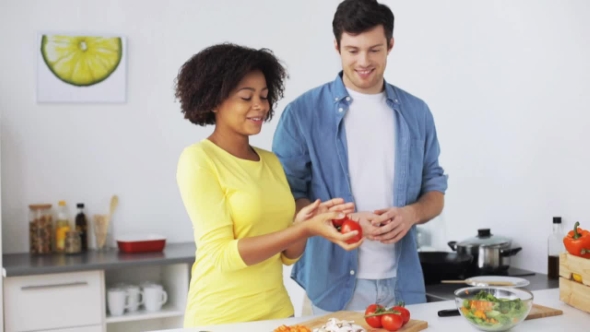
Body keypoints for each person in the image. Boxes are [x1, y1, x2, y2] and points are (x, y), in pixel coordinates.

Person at [272, 0, 448, 315]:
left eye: (374, 50)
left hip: (403, 285)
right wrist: (345, 221)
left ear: (390, 45)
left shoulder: (417, 113)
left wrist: (410, 214)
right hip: (331, 286)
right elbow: (286, 197)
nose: (364, 61)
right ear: (337, 46)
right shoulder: (303, 113)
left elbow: (435, 192)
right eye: (353, 50)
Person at [174, 43, 363, 327]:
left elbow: (287, 256)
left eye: (264, 96)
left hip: (277, 315)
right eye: (246, 97)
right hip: (222, 319)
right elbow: (222, 255)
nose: (260, 106)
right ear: (214, 100)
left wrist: (304, 223)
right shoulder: (199, 159)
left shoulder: (271, 162)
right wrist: (301, 229)